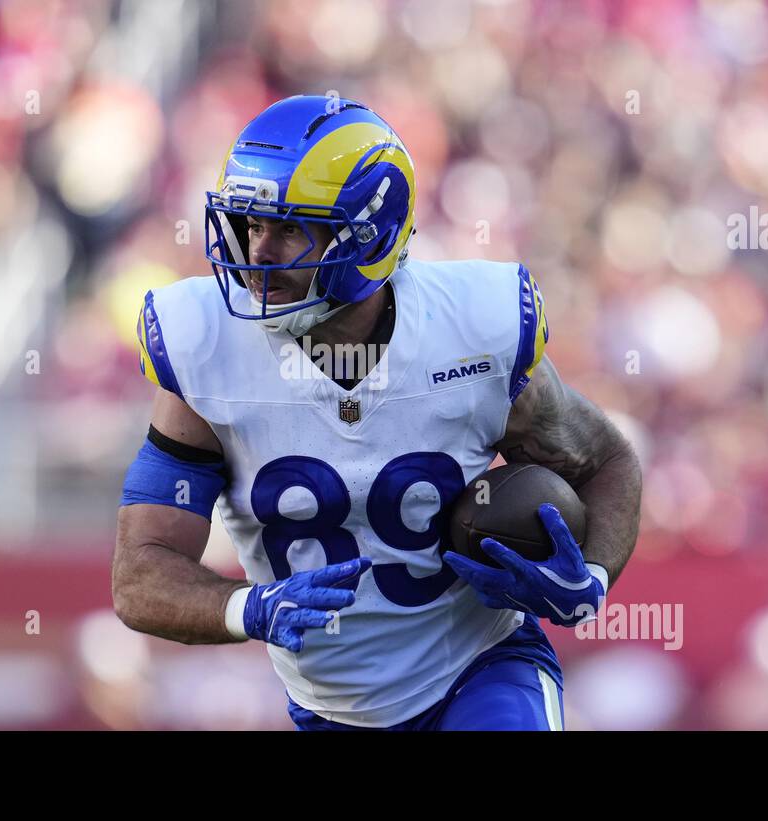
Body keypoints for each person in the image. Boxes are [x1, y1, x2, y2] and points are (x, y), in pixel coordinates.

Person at [112, 95, 642, 730]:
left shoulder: (472, 330)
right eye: (250, 225)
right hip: (331, 712)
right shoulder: (205, 347)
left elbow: (606, 461)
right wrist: (246, 608)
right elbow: (141, 571)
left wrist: (590, 578)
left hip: (479, 669)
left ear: (366, 234)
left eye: (288, 229)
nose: (258, 255)